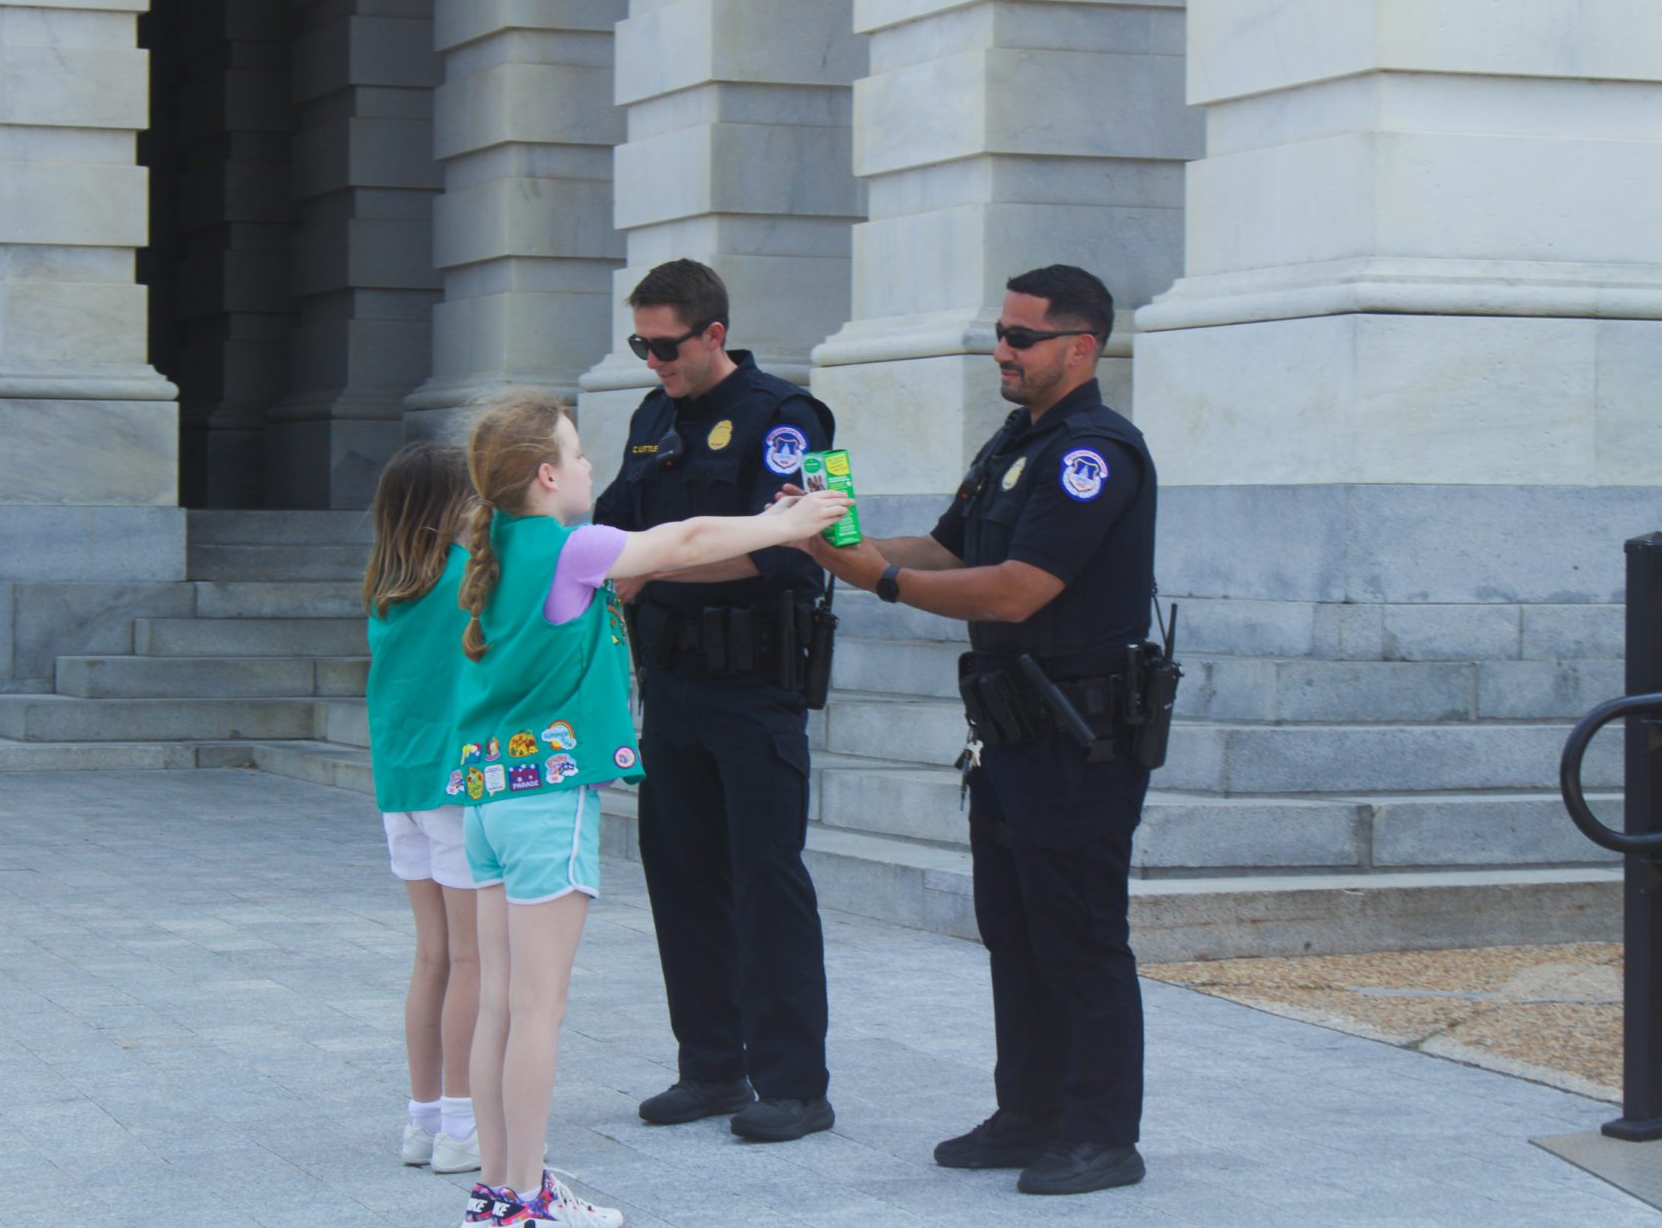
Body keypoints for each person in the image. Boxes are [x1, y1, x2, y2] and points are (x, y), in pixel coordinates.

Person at [450, 392, 852, 1227]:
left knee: (499, 1005)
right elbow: (687, 540)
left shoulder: (497, 550)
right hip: (545, 805)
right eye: (579, 452)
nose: (596, 465)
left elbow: (654, 562)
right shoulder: (571, 546)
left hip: (488, 803)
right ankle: (523, 1198)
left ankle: (498, 1192)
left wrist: (768, 521)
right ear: (547, 473)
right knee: (537, 1013)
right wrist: (790, 525)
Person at [800, 265, 1156, 1196]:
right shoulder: (1015, 442)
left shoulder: (1093, 454)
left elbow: (1017, 587)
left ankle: (1101, 1132)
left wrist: (879, 581)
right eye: (1001, 332)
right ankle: (1032, 1110)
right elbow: (953, 548)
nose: (1002, 350)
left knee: (1078, 933)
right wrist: (834, 543)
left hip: (1078, 731)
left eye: (1022, 337)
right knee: (1015, 926)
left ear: (1079, 348)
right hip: (1011, 725)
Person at [591, 259, 838, 1143]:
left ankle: (795, 1085)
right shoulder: (653, 417)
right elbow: (616, 523)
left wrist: (653, 567)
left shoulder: (784, 419)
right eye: (640, 345)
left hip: (754, 685)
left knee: (767, 882)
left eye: (664, 346)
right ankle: (711, 1068)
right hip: (676, 682)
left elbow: (787, 551)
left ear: (713, 335)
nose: (652, 361)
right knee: (681, 877)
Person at [363, 443, 485, 1177]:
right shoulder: (462, 588)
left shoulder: (386, 590)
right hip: (454, 788)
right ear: (450, 507)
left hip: (400, 790)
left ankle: (423, 1120)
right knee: (472, 959)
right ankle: (463, 1128)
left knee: (432, 957)